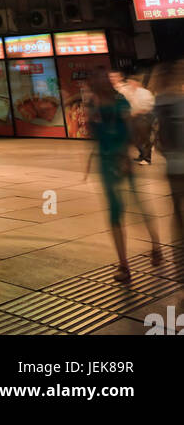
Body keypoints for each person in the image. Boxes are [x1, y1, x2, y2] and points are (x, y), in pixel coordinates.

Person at [86, 70, 162, 282]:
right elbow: (94, 133)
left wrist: (125, 153)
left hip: (121, 159)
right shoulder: (93, 104)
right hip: (105, 161)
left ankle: (155, 245)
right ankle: (124, 265)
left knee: (138, 204)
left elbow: (130, 130)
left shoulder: (119, 102)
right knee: (115, 212)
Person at [151, 60, 184, 244]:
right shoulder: (179, 101)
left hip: (173, 162)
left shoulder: (159, 102)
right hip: (177, 159)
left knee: (177, 204)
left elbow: (159, 139)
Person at [111, 70, 156, 165]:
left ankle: (147, 158)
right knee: (135, 139)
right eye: (129, 82)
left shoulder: (144, 92)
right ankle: (142, 155)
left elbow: (148, 106)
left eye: (131, 82)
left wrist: (137, 112)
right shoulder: (131, 92)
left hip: (143, 118)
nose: (129, 84)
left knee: (144, 139)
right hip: (133, 118)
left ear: (137, 83)